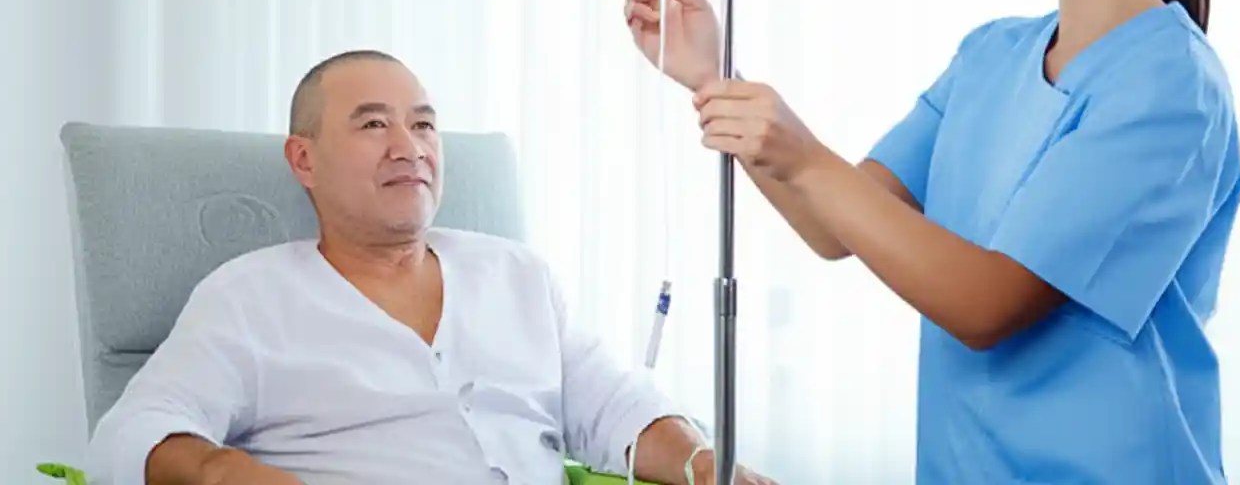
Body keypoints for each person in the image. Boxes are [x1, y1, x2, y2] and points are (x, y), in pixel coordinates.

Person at [623, 0, 1240, 482]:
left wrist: (803, 154)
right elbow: (834, 226)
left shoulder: (1171, 84)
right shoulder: (991, 56)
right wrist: (710, 76)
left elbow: (984, 305)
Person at [88, 50, 774, 485]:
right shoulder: (249, 298)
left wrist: (708, 466)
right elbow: (130, 434)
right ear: (304, 159)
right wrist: (222, 471)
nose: (408, 147)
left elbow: (619, 409)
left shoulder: (517, 276)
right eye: (372, 124)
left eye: (422, 124)